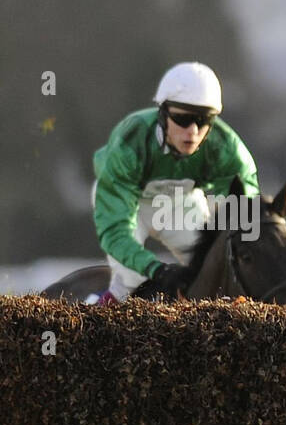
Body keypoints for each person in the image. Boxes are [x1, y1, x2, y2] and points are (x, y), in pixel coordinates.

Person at [91, 62, 259, 303]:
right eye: (182, 119)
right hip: (127, 204)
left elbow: (247, 219)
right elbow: (116, 232)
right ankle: (93, 313)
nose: (192, 131)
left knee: (212, 275)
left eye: (203, 120)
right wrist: (157, 269)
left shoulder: (227, 149)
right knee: (130, 282)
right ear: (162, 113)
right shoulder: (131, 142)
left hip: (180, 203)